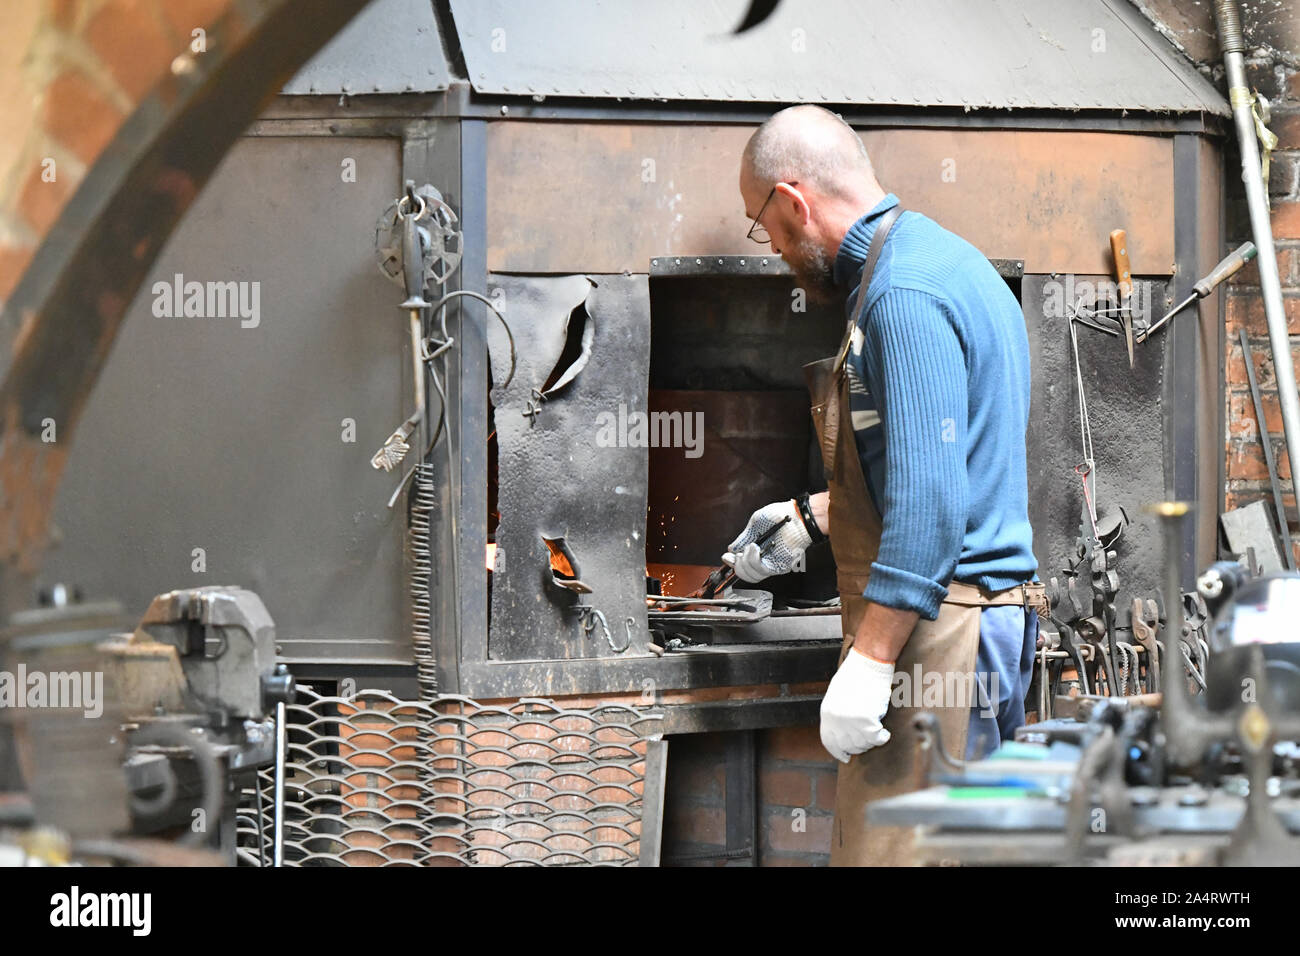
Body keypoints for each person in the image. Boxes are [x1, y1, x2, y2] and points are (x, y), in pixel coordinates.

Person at [727, 104, 1043, 865]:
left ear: (793, 200)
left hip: (948, 636)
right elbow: (950, 468)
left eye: (760, 225)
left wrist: (868, 665)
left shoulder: (901, 295)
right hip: (974, 619)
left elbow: (934, 506)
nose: (771, 247)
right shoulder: (946, 262)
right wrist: (812, 514)